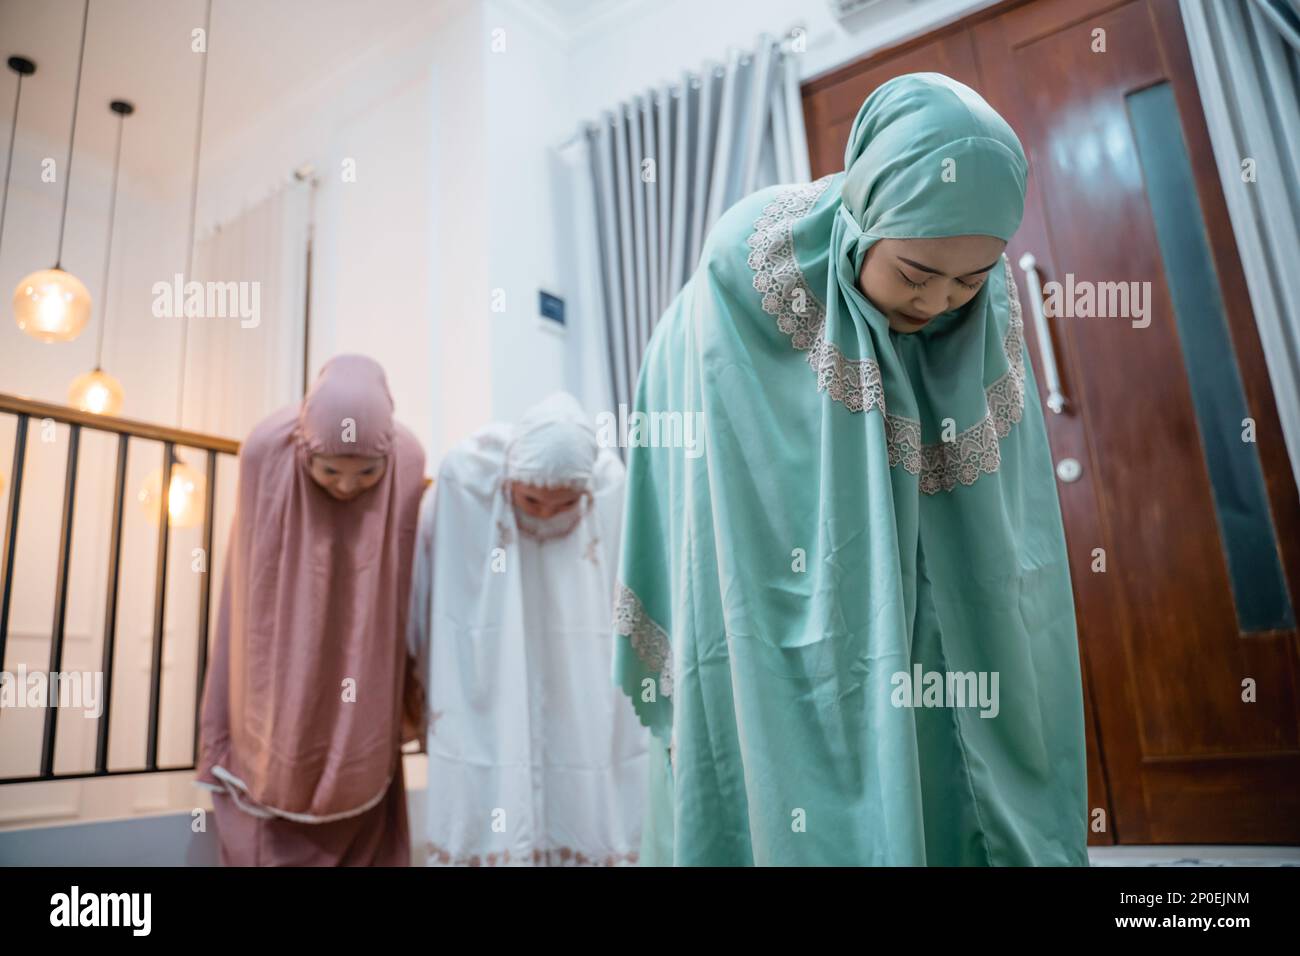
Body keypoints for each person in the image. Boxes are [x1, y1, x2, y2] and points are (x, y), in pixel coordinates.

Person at [613, 72, 1089, 865]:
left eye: (967, 279)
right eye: (913, 273)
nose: (938, 302)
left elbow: (1000, 529)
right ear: (864, 225)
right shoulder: (752, 278)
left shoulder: (990, 295)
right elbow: (758, 545)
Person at [196, 354, 426, 866]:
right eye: (329, 472)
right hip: (280, 649)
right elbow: (256, 585)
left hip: (365, 649)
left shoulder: (409, 458)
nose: (347, 487)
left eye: (367, 473)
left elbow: (400, 573)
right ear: (304, 451)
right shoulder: (264, 450)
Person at [407, 392, 646, 866]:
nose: (541, 513)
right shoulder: (468, 482)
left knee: (581, 740)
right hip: (492, 674)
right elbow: (429, 592)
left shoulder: (612, 489)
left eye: (562, 505)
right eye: (531, 499)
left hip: (574, 670)